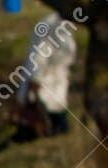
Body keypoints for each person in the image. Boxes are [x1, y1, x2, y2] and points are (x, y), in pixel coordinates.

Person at [15, 8, 78, 140]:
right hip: (45, 86)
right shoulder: (49, 25)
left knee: (58, 125)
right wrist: (35, 81)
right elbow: (38, 56)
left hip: (56, 84)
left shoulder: (64, 26)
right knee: (45, 122)